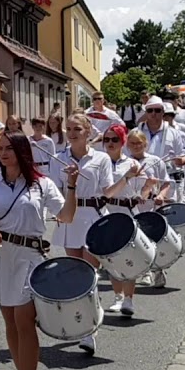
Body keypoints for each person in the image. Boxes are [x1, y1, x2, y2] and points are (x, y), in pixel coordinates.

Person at [0, 132, 79, 370]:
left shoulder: (42, 185)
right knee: (10, 322)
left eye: (10, 148)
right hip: (0, 257)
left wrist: (72, 186)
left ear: (23, 152)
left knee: (24, 319)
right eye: (1, 149)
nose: (4, 153)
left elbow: (67, 216)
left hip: (30, 257)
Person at [52, 113, 129, 355]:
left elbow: (107, 192)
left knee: (90, 275)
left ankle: (90, 331)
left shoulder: (101, 158)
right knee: (76, 277)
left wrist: (126, 179)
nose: (71, 133)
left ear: (87, 132)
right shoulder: (58, 158)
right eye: (68, 129)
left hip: (93, 216)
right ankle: (84, 324)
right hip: (70, 218)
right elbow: (54, 191)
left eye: (77, 128)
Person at [99, 124, 156, 318]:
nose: (110, 143)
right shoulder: (99, 162)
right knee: (110, 258)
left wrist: (146, 191)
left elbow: (145, 188)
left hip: (125, 211)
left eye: (115, 139)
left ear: (123, 142)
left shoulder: (132, 164)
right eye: (106, 140)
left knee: (127, 258)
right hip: (105, 212)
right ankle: (117, 296)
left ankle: (128, 299)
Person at [126, 128, 174, 288]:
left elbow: (166, 182)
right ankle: (145, 272)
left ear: (145, 144)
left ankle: (159, 270)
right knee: (138, 242)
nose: (136, 146)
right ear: (127, 144)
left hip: (151, 206)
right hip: (133, 207)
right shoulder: (125, 162)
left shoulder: (155, 161)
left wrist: (161, 195)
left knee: (155, 240)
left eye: (139, 143)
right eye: (132, 143)